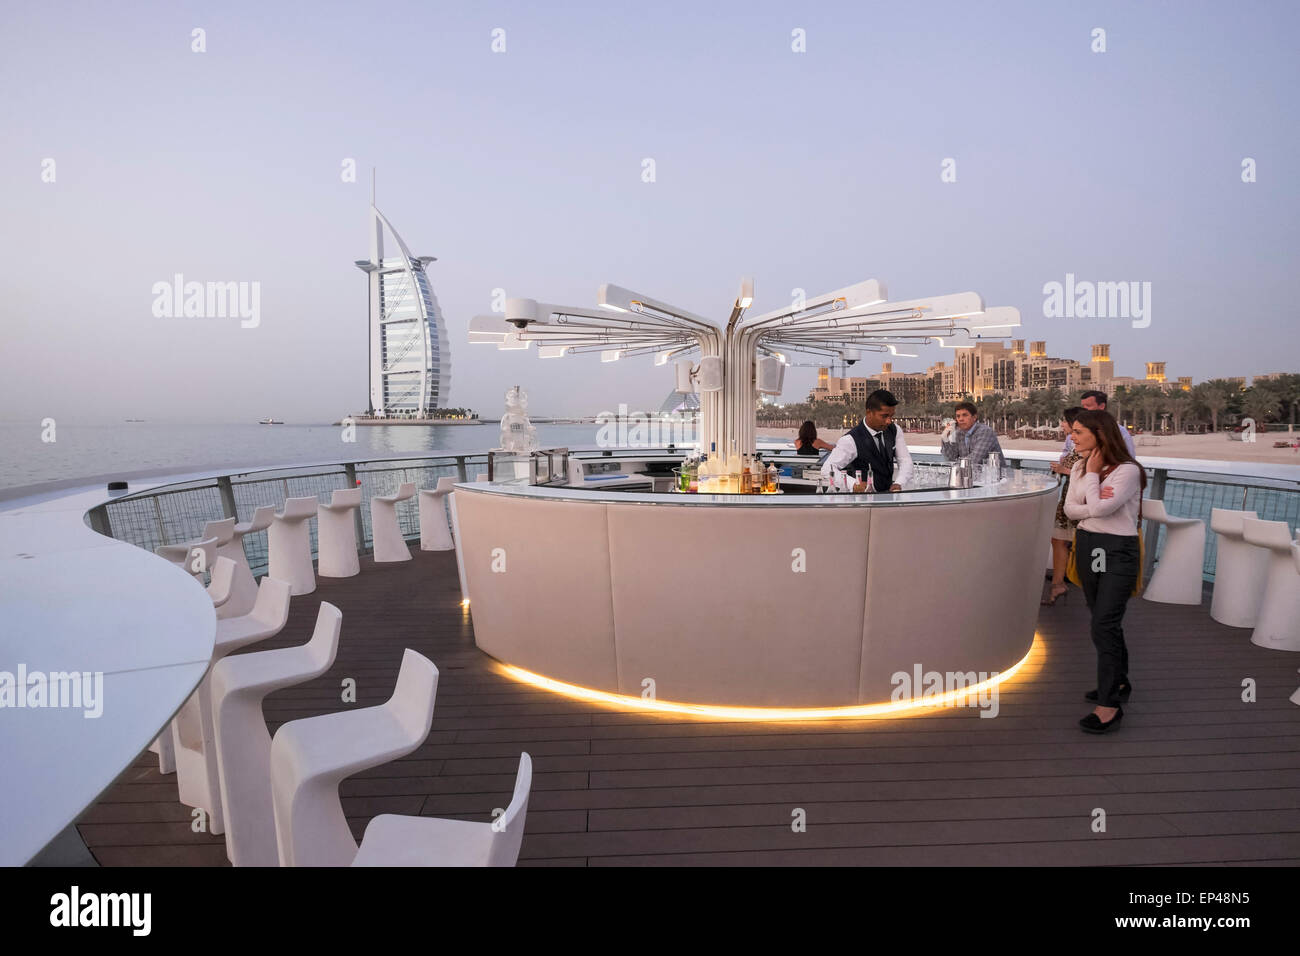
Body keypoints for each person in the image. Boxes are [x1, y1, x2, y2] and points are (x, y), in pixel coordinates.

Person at [1063, 408, 1146, 734]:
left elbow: (1099, 508)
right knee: (1102, 618)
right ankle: (1119, 682)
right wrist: (1092, 492)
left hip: (1117, 550)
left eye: (1078, 432)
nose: (1072, 436)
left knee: (1104, 623)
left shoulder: (1127, 471)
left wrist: (1093, 480)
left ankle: (1109, 705)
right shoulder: (1079, 466)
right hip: (1088, 545)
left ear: (1099, 434)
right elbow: (1070, 510)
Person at [821, 389, 914, 492]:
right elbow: (827, 469)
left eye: (891, 416)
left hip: (888, 497)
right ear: (869, 412)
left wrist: (899, 483)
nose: (889, 421)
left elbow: (905, 461)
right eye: (884, 416)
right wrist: (854, 484)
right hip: (862, 499)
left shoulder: (895, 430)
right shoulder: (850, 440)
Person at [1043, 406, 1084, 605]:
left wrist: (1063, 470)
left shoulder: (1090, 447)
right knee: (1058, 539)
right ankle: (1058, 585)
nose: (1062, 424)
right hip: (1069, 498)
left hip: (1081, 501)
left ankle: (1095, 585)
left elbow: (1092, 472)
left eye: (1065, 421)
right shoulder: (1075, 444)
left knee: (1083, 542)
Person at [1062, 390, 1136, 457]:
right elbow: (1066, 453)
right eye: (1083, 406)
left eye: (1088, 406)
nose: (1084, 409)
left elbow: (1129, 456)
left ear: (1101, 406)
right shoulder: (1075, 431)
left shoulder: (1119, 431)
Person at [940, 402, 1005, 469]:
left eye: (965, 415)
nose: (960, 419)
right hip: (969, 474)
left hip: (994, 474)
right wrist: (945, 439)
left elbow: (975, 460)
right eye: (958, 416)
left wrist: (955, 465)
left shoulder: (985, 432)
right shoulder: (959, 433)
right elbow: (951, 458)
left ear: (974, 417)